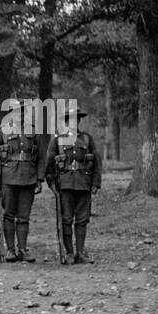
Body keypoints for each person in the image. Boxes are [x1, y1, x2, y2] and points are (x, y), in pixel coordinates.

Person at [0, 99, 45, 262]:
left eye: (21, 111)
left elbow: (41, 157)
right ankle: (10, 250)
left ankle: (22, 249)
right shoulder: (1, 131)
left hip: (28, 178)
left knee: (24, 216)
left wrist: (40, 179)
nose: (18, 114)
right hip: (8, 178)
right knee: (9, 214)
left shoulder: (34, 131)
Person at [45, 107, 103, 265]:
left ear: (78, 121)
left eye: (76, 119)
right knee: (66, 219)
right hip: (65, 185)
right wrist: (51, 184)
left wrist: (96, 183)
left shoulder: (87, 139)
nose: (73, 122)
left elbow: (97, 162)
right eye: (69, 120)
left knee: (82, 220)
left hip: (84, 184)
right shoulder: (57, 140)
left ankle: (80, 252)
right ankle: (69, 252)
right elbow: (49, 164)